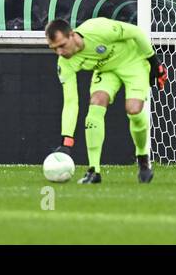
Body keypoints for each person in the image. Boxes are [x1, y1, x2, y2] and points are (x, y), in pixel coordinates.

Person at [45, 16, 167, 185]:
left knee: (133, 109)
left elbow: (136, 32)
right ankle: (94, 171)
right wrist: (67, 141)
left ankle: (142, 158)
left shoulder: (99, 29)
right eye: (54, 49)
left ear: (72, 35)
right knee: (96, 102)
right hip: (106, 70)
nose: (59, 52)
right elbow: (71, 101)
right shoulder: (65, 64)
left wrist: (155, 63)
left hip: (133, 62)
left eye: (62, 46)